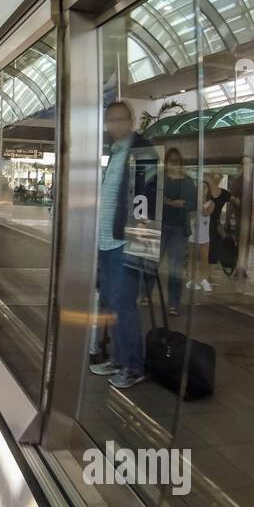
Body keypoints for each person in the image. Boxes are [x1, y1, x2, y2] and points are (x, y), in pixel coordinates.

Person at [90, 100, 157, 390]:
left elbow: (148, 194)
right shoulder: (115, 152)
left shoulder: (143, 150)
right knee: (110, 302)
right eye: (110, 120)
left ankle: (133, 366)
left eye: (119, 119)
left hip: (126, 242)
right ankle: (118, 359)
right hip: (106, 241)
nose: (114, 125)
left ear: (131, 120)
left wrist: (139, 235)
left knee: (122, 304)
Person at [161, 147, 196, 315]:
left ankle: (173, 304)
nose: (173, 164)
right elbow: (153, 197)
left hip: (179, 228)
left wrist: (175, 203)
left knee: (175, 267)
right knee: (153, 263)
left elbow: (192, 203)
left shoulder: (187, 181)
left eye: (176, 161)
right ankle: (144, 294)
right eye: (171, 161)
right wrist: (173, 203)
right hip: (161, 225)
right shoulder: (160, 179)